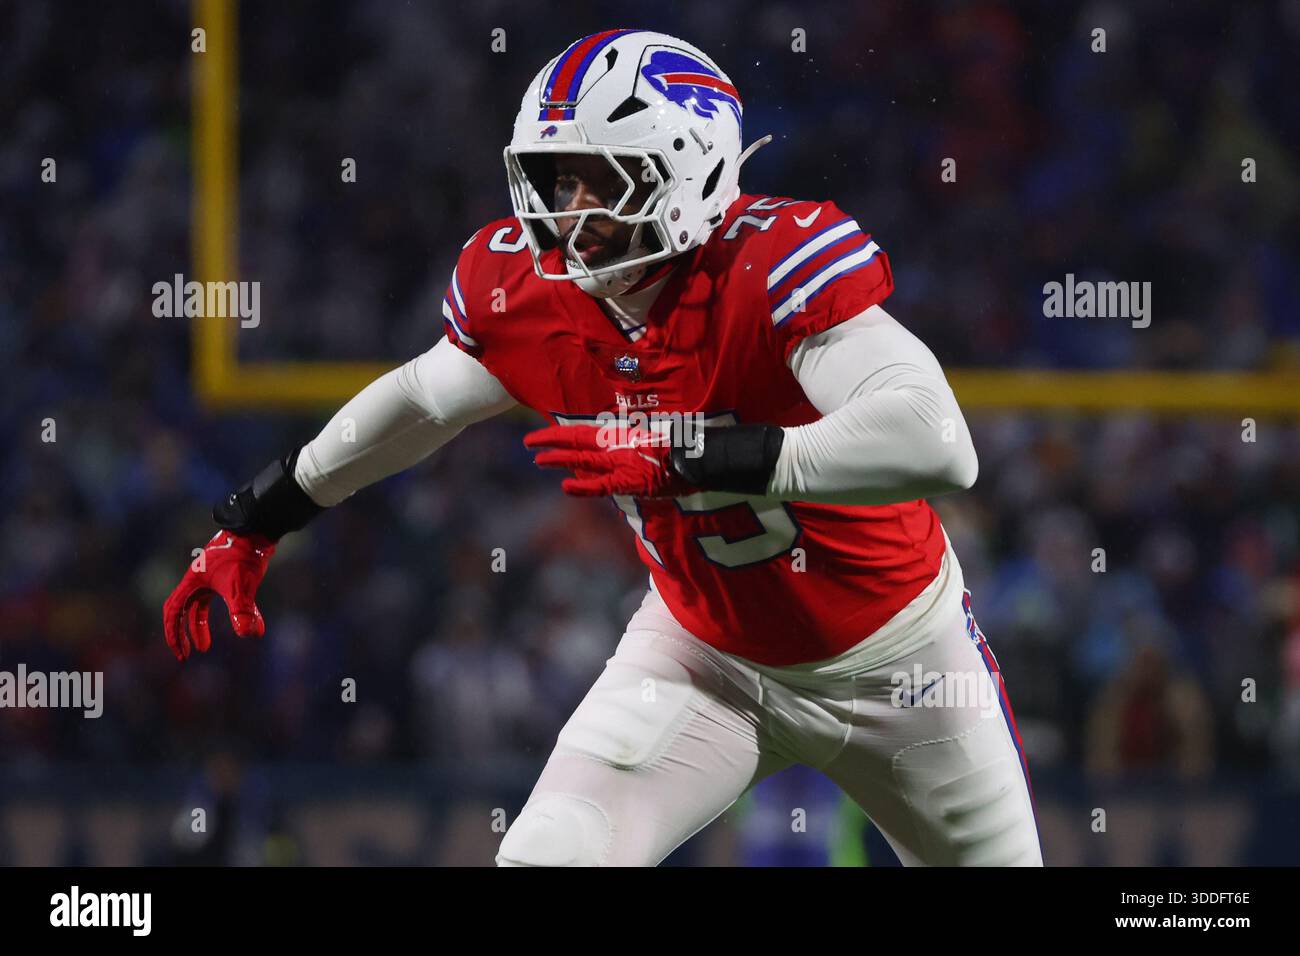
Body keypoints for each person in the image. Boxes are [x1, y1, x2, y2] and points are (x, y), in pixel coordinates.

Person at [164, 29, 1042, 867]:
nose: (566, 212)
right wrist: (258, 516)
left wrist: (698, 453)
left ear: (689, 176)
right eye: (553, 179)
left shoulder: (768, 266)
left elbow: (937, 439)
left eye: (598, 181)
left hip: (901, 658)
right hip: (705, 657)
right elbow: (425, 401)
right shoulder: (525, 290)